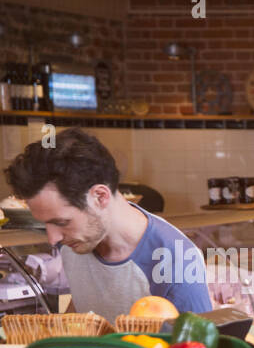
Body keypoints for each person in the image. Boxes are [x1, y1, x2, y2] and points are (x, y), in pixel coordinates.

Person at [4, 128, 212, 320]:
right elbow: (85, 314)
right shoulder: (76, 241)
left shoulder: (176, 260)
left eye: (61, 222)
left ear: (100, 197)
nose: (53, 238)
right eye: (45, 224)